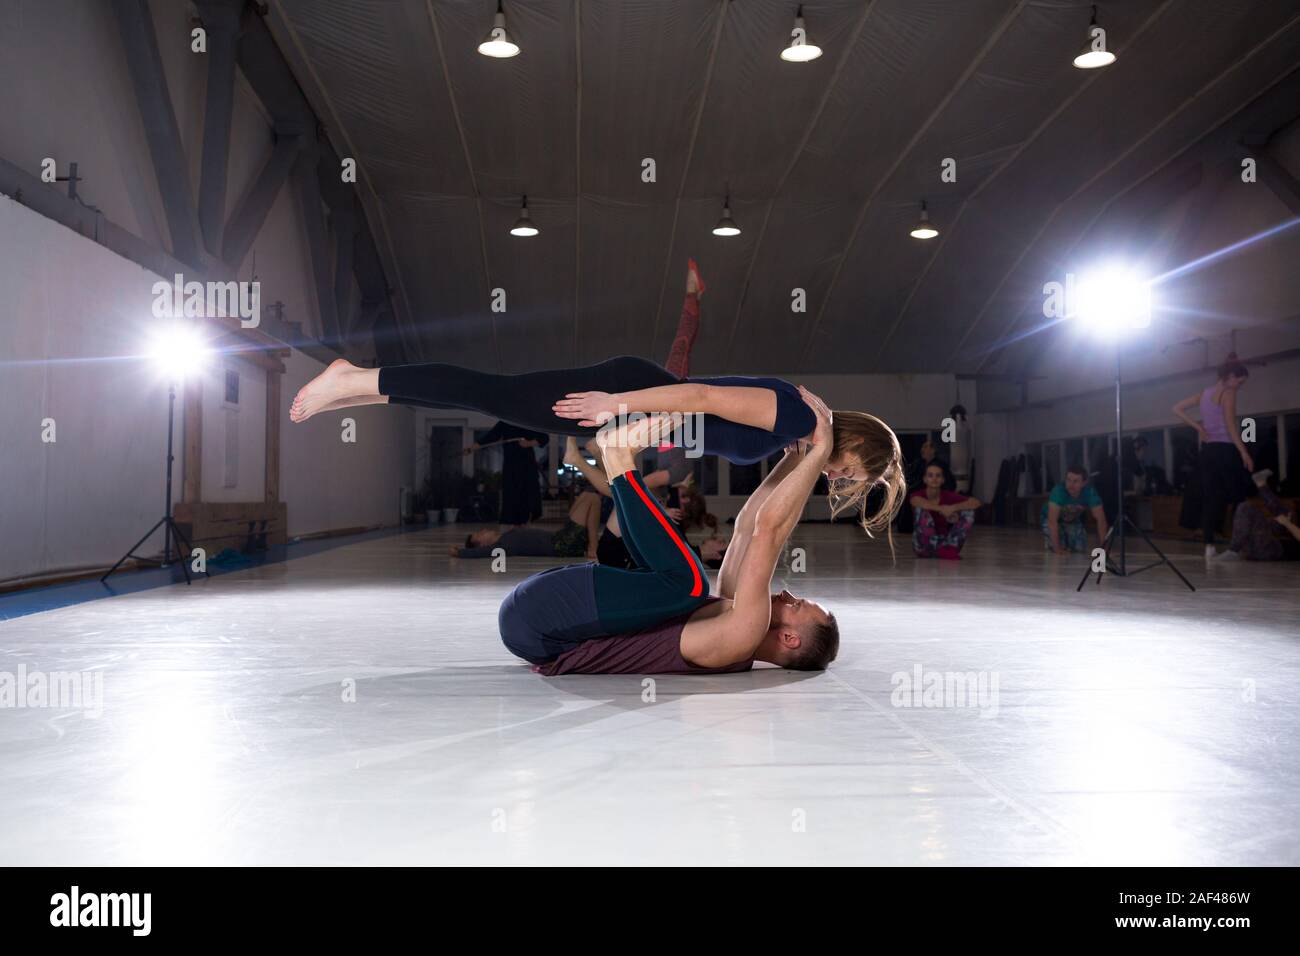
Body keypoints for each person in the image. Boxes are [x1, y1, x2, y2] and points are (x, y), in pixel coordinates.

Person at [289, 265, 905, 540]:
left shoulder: (799, 432)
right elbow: (701, 394)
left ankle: (360, 390)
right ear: (853, 442)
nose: (839, 479)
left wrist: (814, 449)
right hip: (629, 396)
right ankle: (356, 377)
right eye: (850, 470)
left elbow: (761, 493)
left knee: (489, 397)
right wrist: (617, 402)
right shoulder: (796, 416)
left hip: (637, 406)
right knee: (488, 392)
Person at [497, 392, 839, 676]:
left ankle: (618, 458)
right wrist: (796, 456)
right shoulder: (734, 614)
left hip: (542, 620)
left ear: (790, 639)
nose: (789, 594)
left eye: (797, 605)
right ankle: (617, 461)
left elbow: (769, 530)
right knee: (681, 585)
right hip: (540, 616)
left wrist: (822, 449)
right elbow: (748, 526)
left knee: (689, 584)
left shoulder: (740, 635)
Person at [1173, 353, 1255, 559]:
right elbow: (1230, 426)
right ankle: (1237, 546)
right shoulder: (1228, 393)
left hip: (1208, 452)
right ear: (1230, 377)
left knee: (1211, 498)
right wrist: (1244, 451)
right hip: (1226, 450)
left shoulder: (1204, 393)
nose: (1239, 386)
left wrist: (1198, 427)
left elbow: (1177, 408)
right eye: (1239, 382)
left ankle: (1209, 546)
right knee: (1239, 497)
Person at [452, 490, 602, 560]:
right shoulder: (501, 546)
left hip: (561, 536)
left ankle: (591, 545)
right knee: (592, 498)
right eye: (480, 534)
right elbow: (480, 553)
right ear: (483, 544)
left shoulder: (506, 536)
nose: (484, 530)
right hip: (563, 544)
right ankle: (593, 548)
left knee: (585, 495)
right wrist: (459, 553)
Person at [467, 421, 547, 526]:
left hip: (526, 465)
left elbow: (544, 438)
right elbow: (491, 436)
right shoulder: (505, 422)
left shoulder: (528, 421)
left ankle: (526, 521)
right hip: (511, 464)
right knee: (511, 492)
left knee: (527, 492)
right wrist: (471, 448)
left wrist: (529, 443)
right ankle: (513, 523)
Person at [1216, 470, 1300, 562]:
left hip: (1270, 551)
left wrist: (1287, 523)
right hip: (1263, 546)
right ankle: (1261, 484)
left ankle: (1233, 550)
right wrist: (1284, 522)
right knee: (1247, 508)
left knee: (1246, 508)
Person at [910, 463, 981, 560]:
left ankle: (948, 549)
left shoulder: (947, 495)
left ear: (943, 480)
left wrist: (953, 508)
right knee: (921, 510)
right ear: (925, 479)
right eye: (930, 475)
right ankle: (937, 550)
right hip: (924, 545)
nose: (934, 479)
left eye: (938, 476)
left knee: (969, 513)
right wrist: (942, 509)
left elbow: (976, 503)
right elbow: (915, 501)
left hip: (945, 543)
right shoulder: (918, 495)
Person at [1041, 465, 1108, 554]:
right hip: (1049, 520)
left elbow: (1101, 520)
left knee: (1079, 548)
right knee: (1057, 546)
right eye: (1068, 480)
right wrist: (1057, 549)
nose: (1071, 485)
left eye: (1075, 481)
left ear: (1084, 483)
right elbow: (1052, 522)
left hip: (1072, 520)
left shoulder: (1090, 492)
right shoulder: (1058, 491)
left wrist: (1104, 548)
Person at [1096, 435, 1148, 525]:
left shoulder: (1124, 453)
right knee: (1114, 519)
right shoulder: (1129, 455)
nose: (1144, 454)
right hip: (1108, 492)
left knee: (1112, 518)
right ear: (1139, 448)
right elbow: (1140, 473)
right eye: (1144, 450)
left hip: (1106, 490)